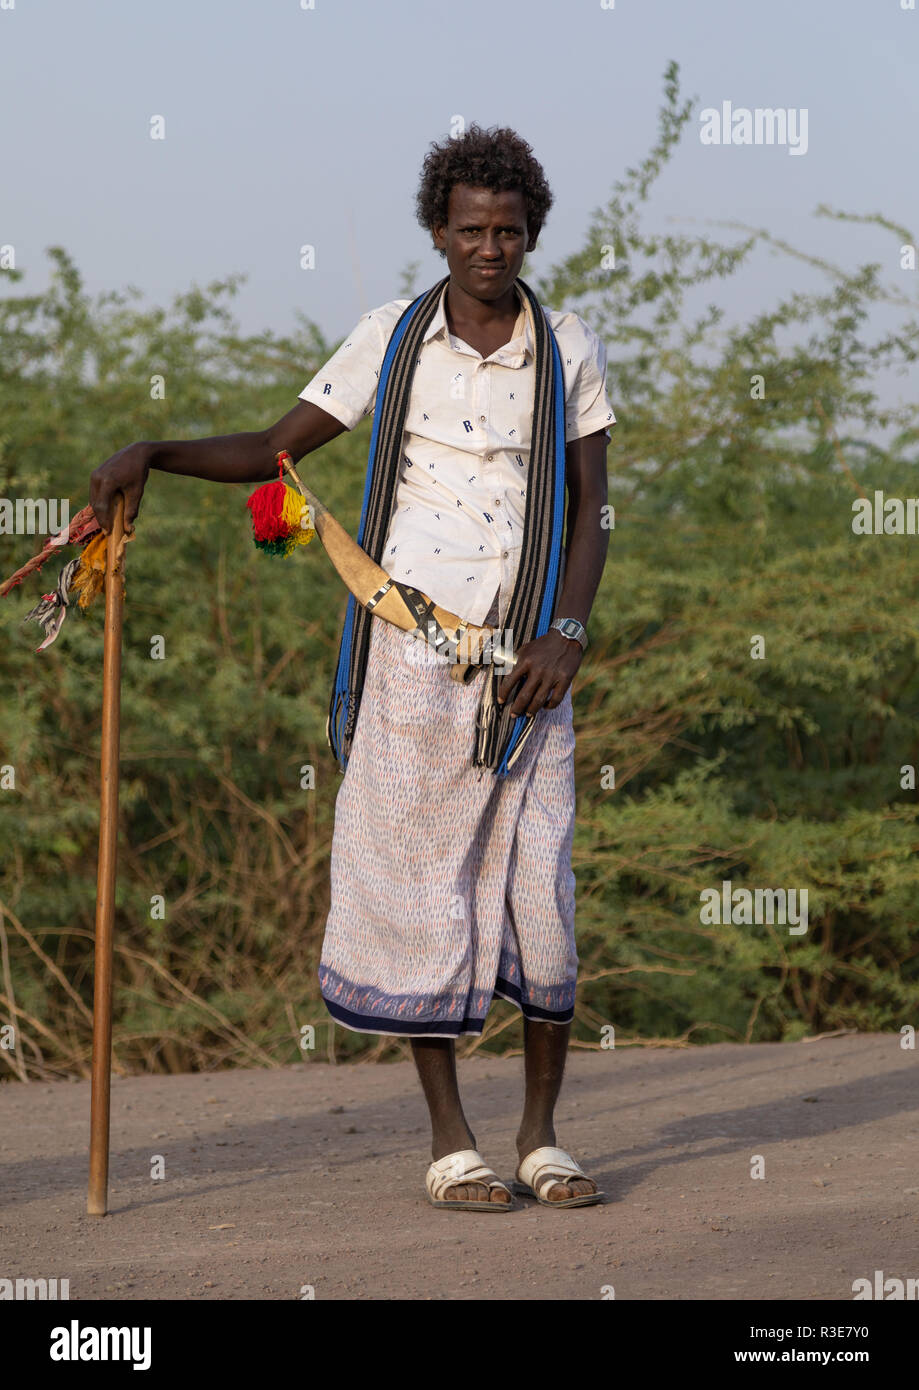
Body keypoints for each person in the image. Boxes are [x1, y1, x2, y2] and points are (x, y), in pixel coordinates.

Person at [90, 123, 615, 1212]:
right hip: (408, 650)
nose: (489, 247)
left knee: (540, 895)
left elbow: (591, 512)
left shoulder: (565, 347)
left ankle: (542, 1137)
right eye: (470, 229)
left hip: (528, 664)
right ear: (438, 230)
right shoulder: (391, 337)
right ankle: (451, 1143)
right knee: (416, 892)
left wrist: (569, 631)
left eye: (508, 230)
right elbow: (276, 447)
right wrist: (156, 453)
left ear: (530, 235)